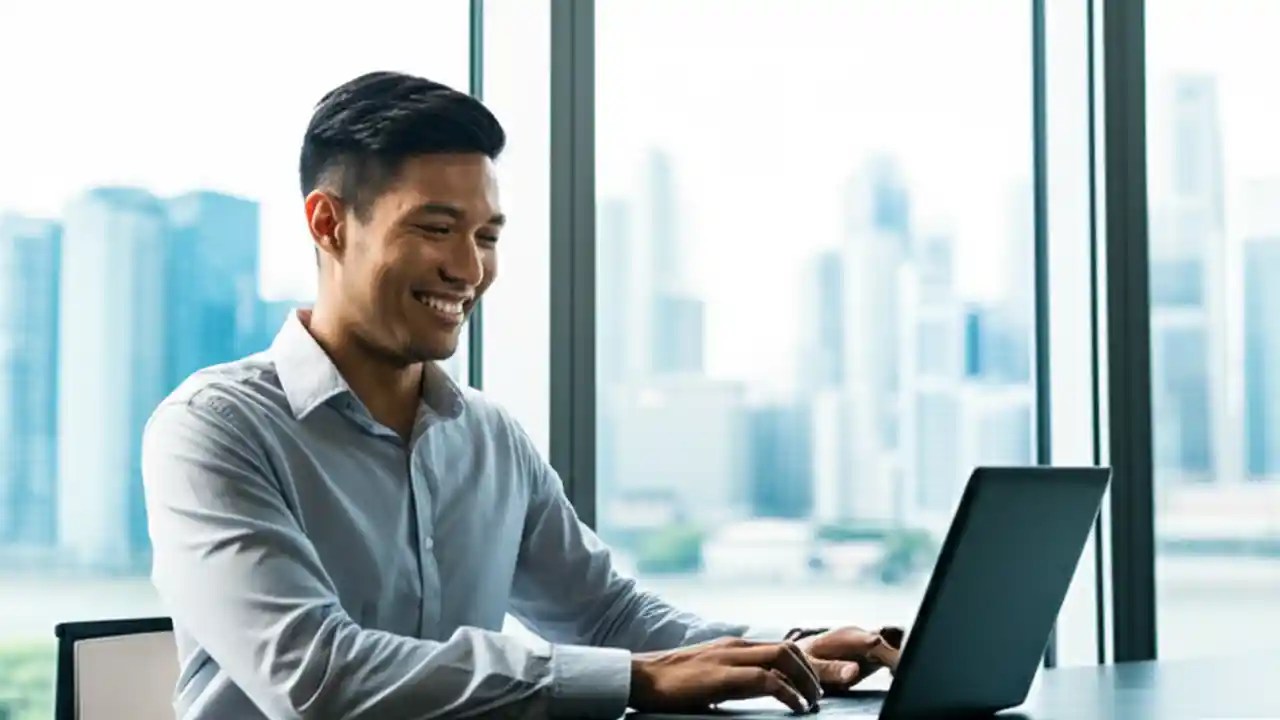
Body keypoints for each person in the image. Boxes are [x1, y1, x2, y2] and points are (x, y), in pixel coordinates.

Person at [142, 71, 901, 719]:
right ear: (329, 223)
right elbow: (314, 673)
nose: (469, 269)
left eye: (487, 237)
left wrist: (785, 654)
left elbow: (604, 613)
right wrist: (633, 680)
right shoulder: (214, 430)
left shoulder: (489, 437)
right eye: (436, 228)